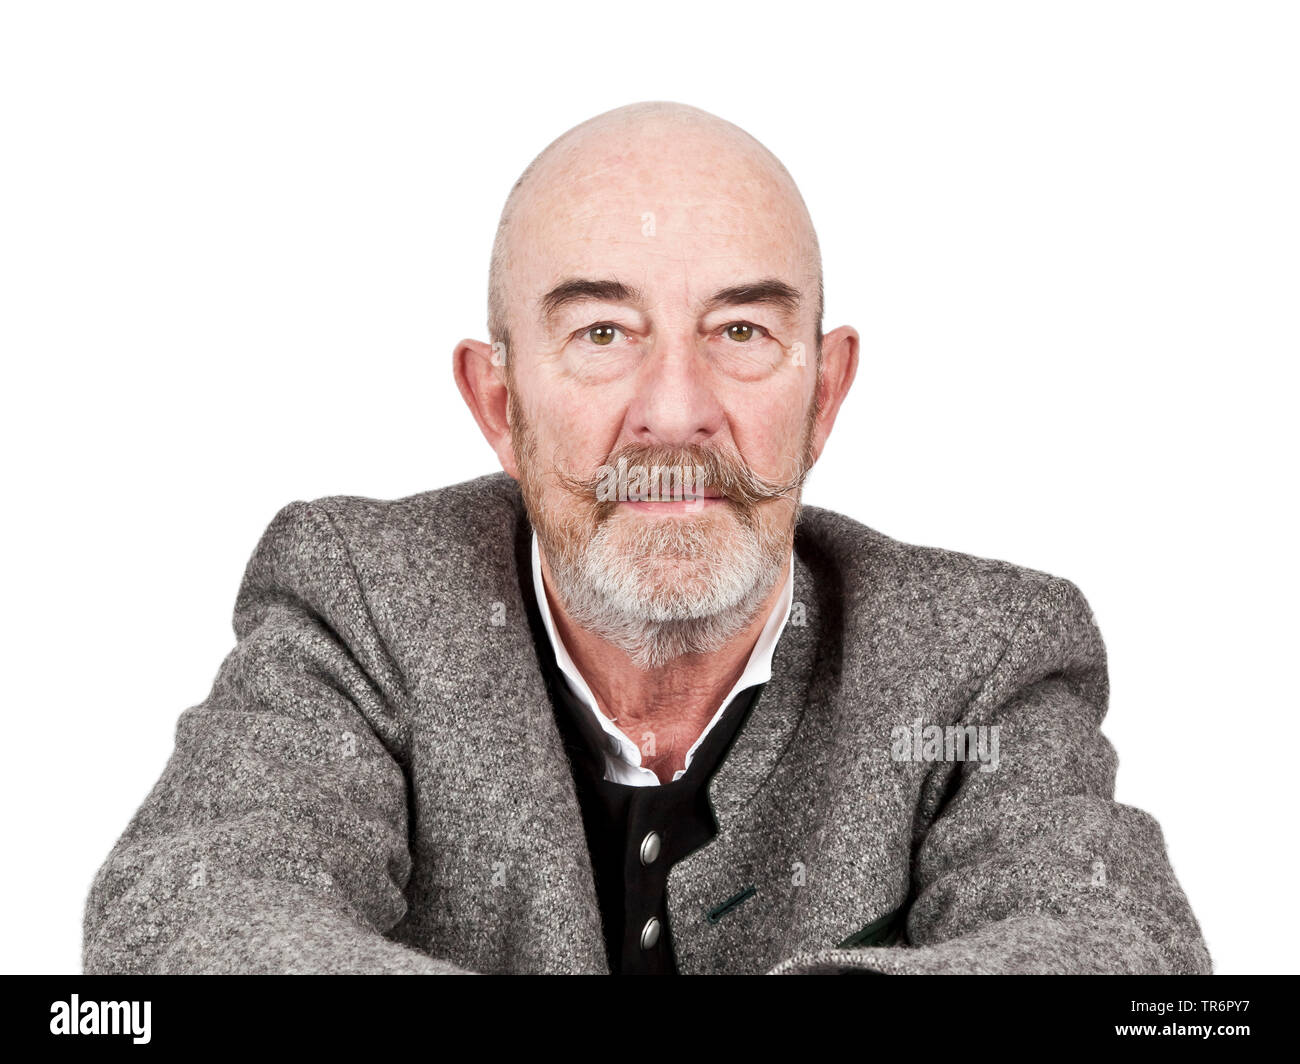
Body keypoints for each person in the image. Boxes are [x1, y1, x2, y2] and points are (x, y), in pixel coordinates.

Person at [82, 101, 1212, 974]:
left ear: (823, 395)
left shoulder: (974, 666)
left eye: (741, 330)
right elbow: (189, 913)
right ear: (498, 403)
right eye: (603, 331)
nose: (675, 412)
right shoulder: (364, 609)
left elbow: (1121, 956)